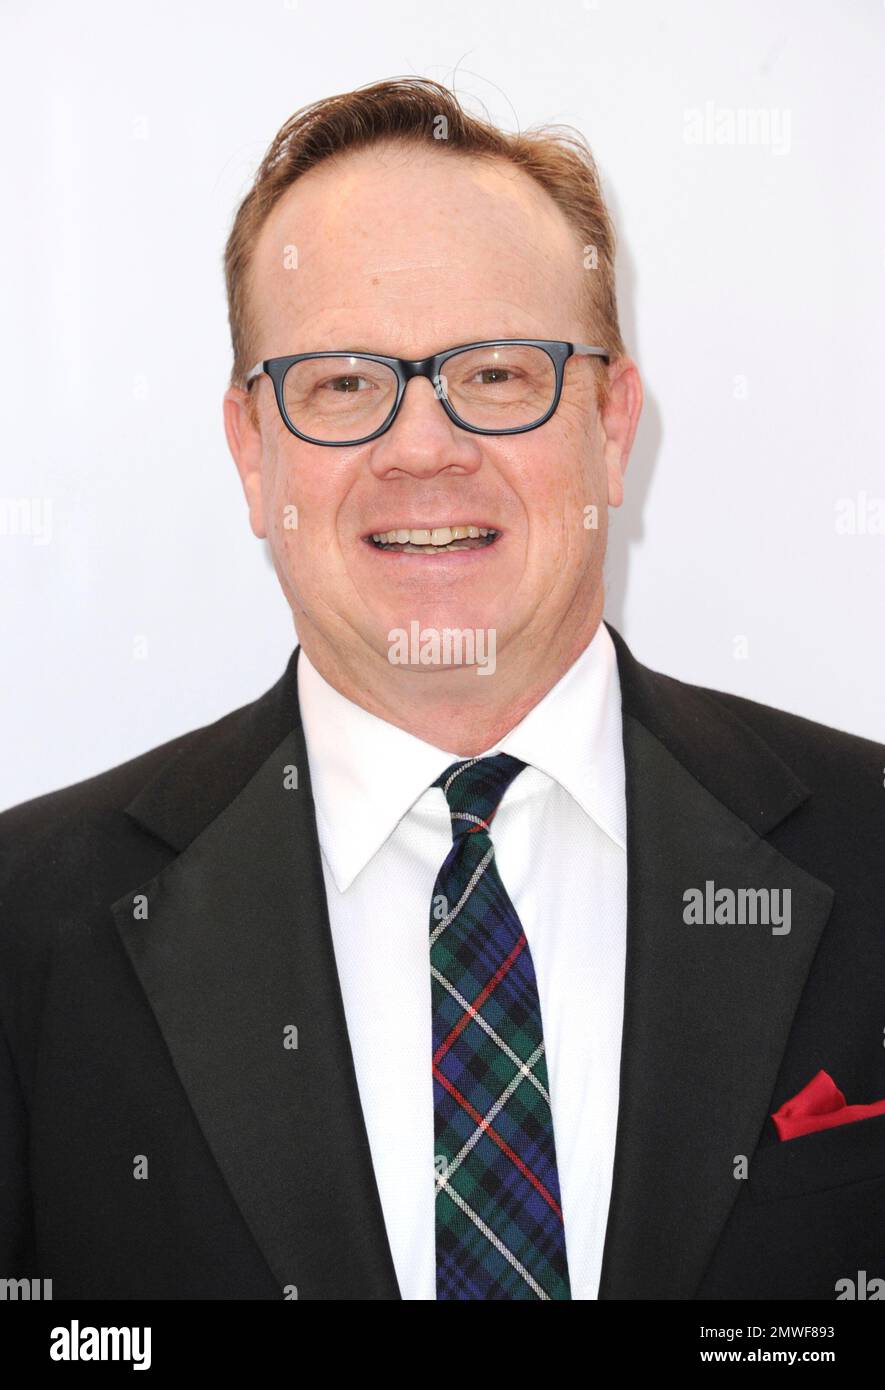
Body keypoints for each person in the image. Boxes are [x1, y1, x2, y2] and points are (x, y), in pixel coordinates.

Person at [1, 77, 883, 1302]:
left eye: (501, 372)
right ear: (252, 455)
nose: (424, 447)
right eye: (344, 383)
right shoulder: (27, 927)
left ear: (614, 427)